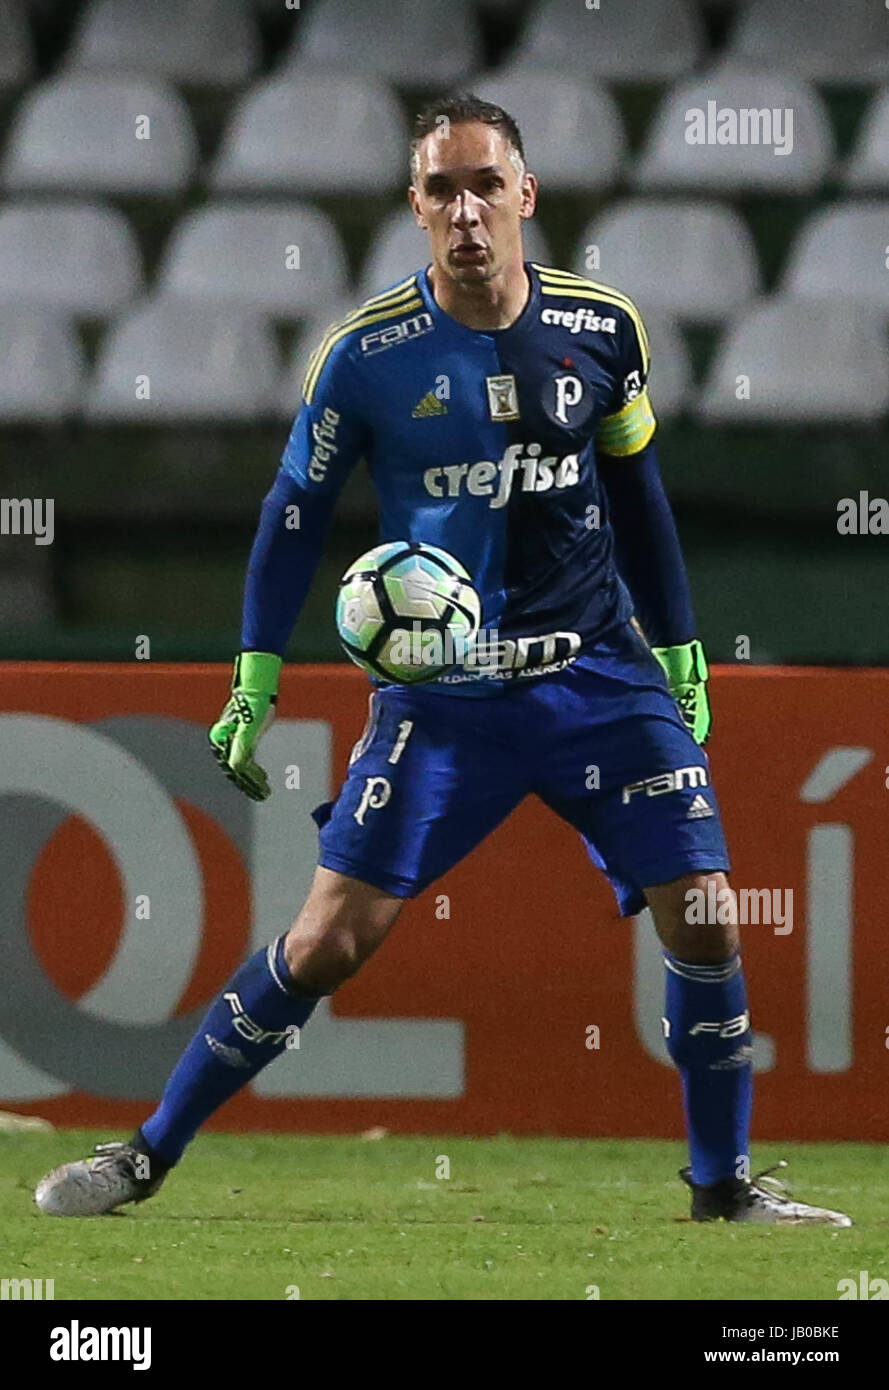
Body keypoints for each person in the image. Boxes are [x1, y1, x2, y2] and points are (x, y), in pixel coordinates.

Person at [36, 95, 850, 1227]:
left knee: (706, 910)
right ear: (415, 208)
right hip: (443, 693)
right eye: (440, 190)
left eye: (483, 184)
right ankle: (145, 1153)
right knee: (329, 940)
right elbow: (293, 508)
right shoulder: (366, 357)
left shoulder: (603, 328)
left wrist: (680, 643)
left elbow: (638, 493)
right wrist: (255, 676)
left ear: (525, 194)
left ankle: (723, 1191)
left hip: (601, 675)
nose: (465, 211)